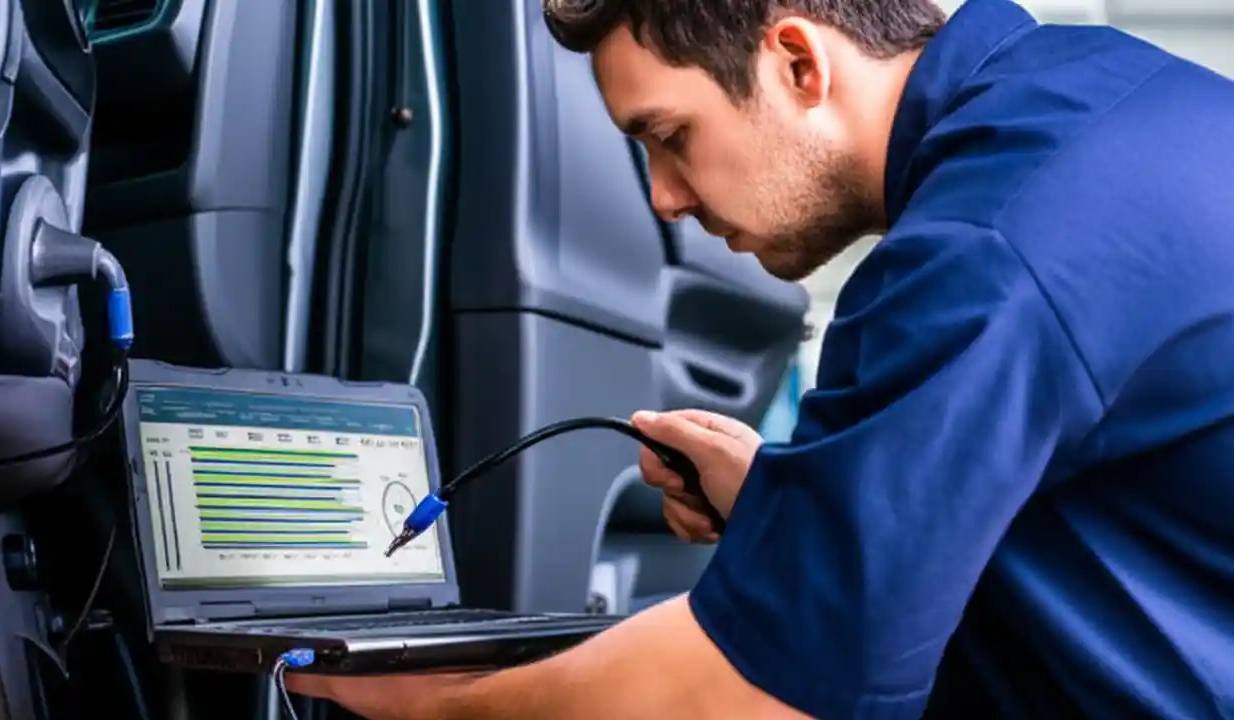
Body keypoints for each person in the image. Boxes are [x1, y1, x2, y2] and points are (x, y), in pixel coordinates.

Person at [289, 0, 1234, 716]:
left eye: (669, 137)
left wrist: (439, 706)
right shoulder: (1108, 101)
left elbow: (763, 698)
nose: (663, 199)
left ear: (795, 60)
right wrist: (804, 503)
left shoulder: (983, 246)